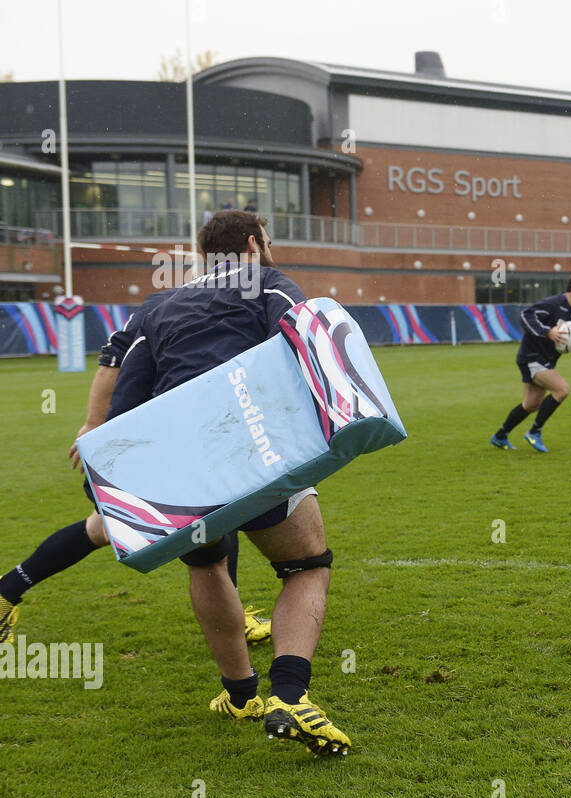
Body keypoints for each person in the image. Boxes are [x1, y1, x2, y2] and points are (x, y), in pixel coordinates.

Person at [108, 209, 351, 755]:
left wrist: (119, 482)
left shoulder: (158, 305)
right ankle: (289, 696)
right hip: (252, 448)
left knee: (208, 562)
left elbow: (128, 398)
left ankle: (240, 694)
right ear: (252, 243)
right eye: (267, 239)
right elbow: (305, 342)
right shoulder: (269, 284)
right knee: (306, 566)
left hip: (181, 464)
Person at [0, 288, 269, 648]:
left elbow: (114, 353)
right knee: (212, 514)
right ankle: (234, 626)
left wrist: (95, 425)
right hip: (149, 440)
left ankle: (8, 590)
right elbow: (115, 355)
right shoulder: (178, 305)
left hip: (149, 437)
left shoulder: (177, 303)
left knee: (107, 528)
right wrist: (94, 425)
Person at [490, 273, 571, 452]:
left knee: (531, 404)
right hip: (532, 357)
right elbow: (526, 316)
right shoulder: (553, 304)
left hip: (546, 360)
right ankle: (534, 432)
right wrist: (548, 332)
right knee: (561, 390)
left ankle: (500, 435)